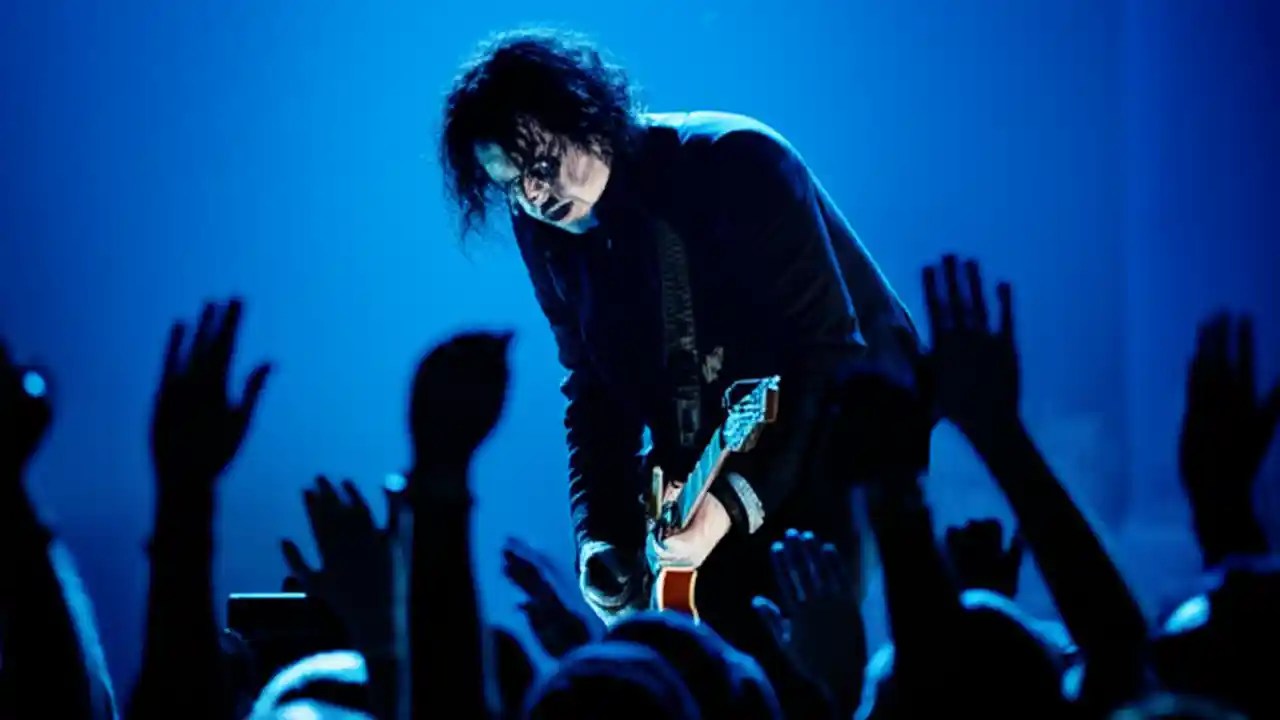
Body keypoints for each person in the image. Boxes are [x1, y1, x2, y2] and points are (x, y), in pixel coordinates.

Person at [438, 28, 921, 660]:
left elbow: (828, 355)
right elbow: (591, 385)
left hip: (833, 444)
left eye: (539, 163)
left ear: (583, 112)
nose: (531, 195)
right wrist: (600, 534)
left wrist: (731, 505)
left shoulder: (736, 161)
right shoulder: (547, 230)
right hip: (703, 470)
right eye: (510, 183)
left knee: (797, 671)